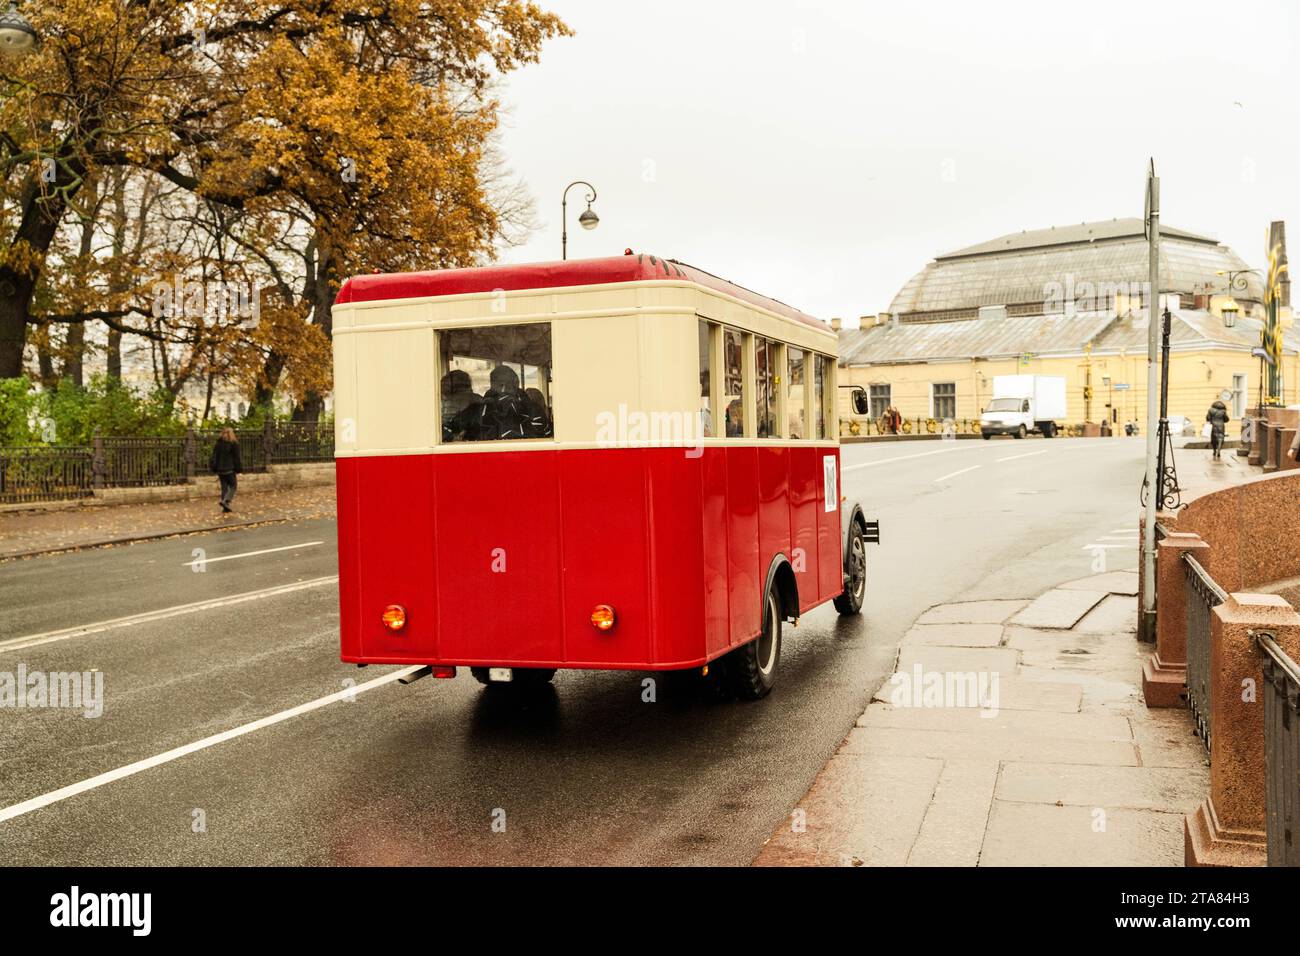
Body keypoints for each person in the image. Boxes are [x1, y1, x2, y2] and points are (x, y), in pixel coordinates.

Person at [440, 369, 482, 441]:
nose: (446, 406)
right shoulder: (455, 418)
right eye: (444, 400)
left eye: (449, 398)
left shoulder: (478, 412)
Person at [209, 427, 243, 512]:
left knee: (224, 488)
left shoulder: (218, 443)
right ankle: (226, 500)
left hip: (220, 469)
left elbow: (214, 456)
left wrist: (214, 467)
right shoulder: (233, 443)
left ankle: (225, 507)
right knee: (233, 486)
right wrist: (238, 468)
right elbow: (236, 458)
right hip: (229, 469)